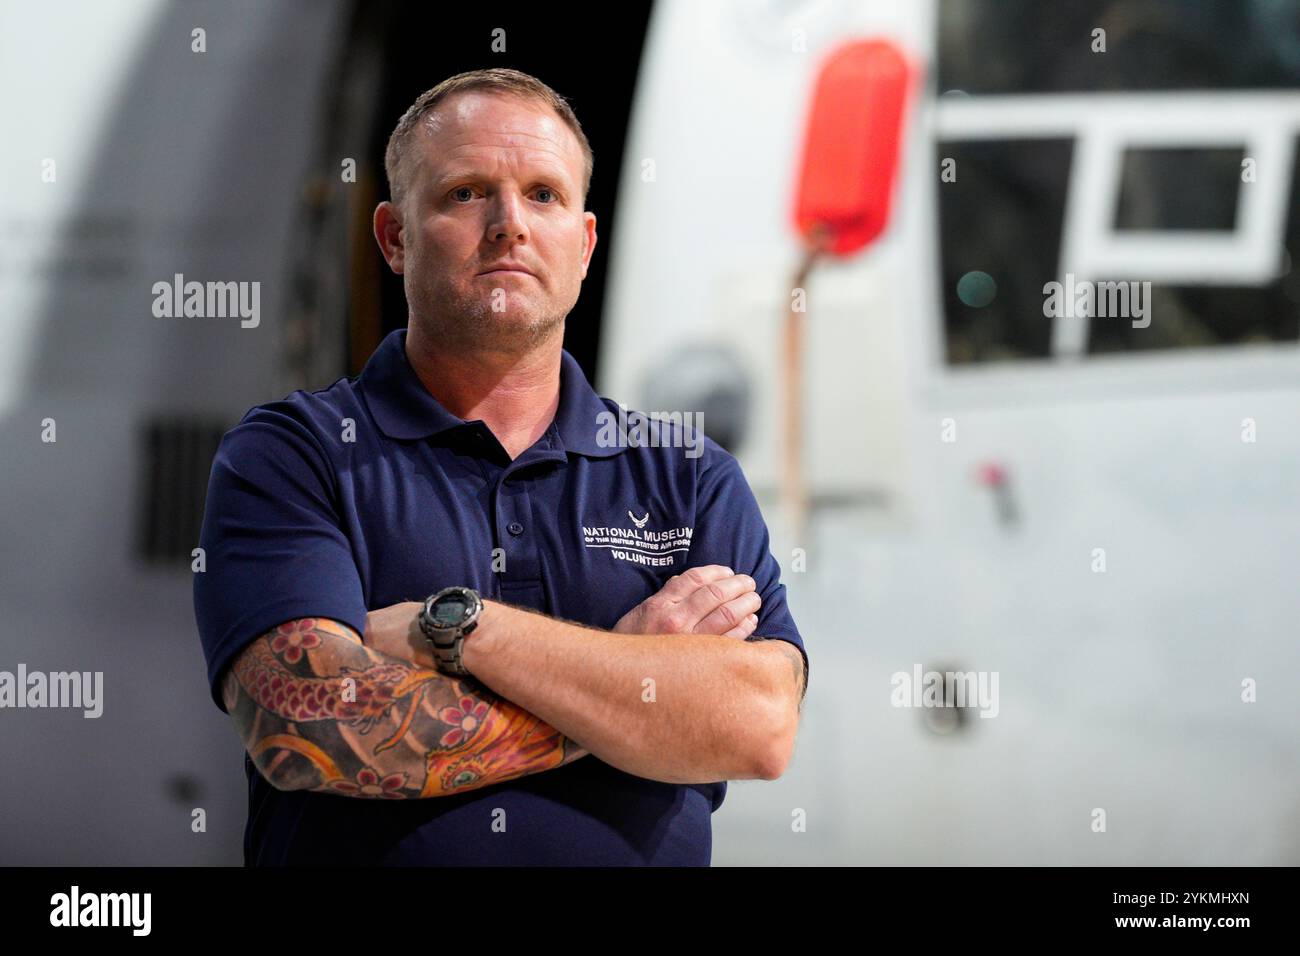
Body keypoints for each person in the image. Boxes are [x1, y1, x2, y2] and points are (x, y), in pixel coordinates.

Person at [193, 67, 807, 865]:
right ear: (393, 236)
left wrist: (458, 631)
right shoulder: (294, 454)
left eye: (544, 195)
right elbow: (308, 727)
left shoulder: (687, 474)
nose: (509, 224)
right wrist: (639, 683)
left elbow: (757, 727)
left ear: (584, 246)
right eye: (466, 193)